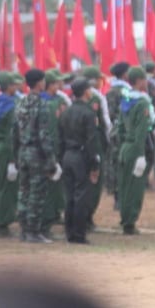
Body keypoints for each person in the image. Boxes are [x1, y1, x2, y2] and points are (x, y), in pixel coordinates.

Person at [16, 69, 58, 244]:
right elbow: (43, 135)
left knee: (24, 191)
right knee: (37, 193)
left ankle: (24, 229)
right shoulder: (42, 104)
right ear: (39, 83)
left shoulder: (21, 103)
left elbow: (15, 131)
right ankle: (33, 231)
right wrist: (50, 159)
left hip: (23, 151)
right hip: (36, 153)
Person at [59, 78, 100, 244]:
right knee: (81, 196)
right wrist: (94, 164)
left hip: (67, 155)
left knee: (69, 196)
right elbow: (91, 140)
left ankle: (69, 232)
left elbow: (60, 137)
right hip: (81, 156)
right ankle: (79, 234)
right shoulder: (88, 113)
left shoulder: (66, 112)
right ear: (85, 92)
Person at [118, 67, 154, 235]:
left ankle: (125, 217)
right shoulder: (142, 103)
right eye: (144, 79)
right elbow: (141, 131)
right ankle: (129, 222)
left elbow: (119, 127)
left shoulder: (125, 99)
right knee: (135, 188)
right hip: (135, 148)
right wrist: (141, 155)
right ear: (139, 81)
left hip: (125, 146)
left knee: (125, 186)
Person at [0, 72, 21, 238]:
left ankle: (0, 219)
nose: (16, 87)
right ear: (8, 87)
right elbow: (12, 133)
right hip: (7, 149)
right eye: (13, 84)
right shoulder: (12, 105)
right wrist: (12, 159)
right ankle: (3, 224)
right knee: (7, 188)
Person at [40, 70, 69, 238]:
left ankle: (55, 214)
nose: (61, 84)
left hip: (60, 148)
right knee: (48, 185)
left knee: (57, 184)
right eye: (58, 82)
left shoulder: (60, 100)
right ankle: (45, 222)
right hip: (48, 150)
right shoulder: (43, 102)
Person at [80, 67, 110, 230]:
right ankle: (88, 217)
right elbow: (106, 123)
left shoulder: (74, 96)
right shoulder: (98, 97)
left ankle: (81, 216)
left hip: (78, 146)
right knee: (95, 182)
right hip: (96, 144)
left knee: (82, 182)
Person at [105, 62, 130, 204]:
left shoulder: (110, 90)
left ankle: (117, 196)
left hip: (114, 130)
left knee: (115, 162)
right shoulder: (125, 91)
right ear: (124, 74)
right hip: (124, 130)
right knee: (124, 163)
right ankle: (121, 196)